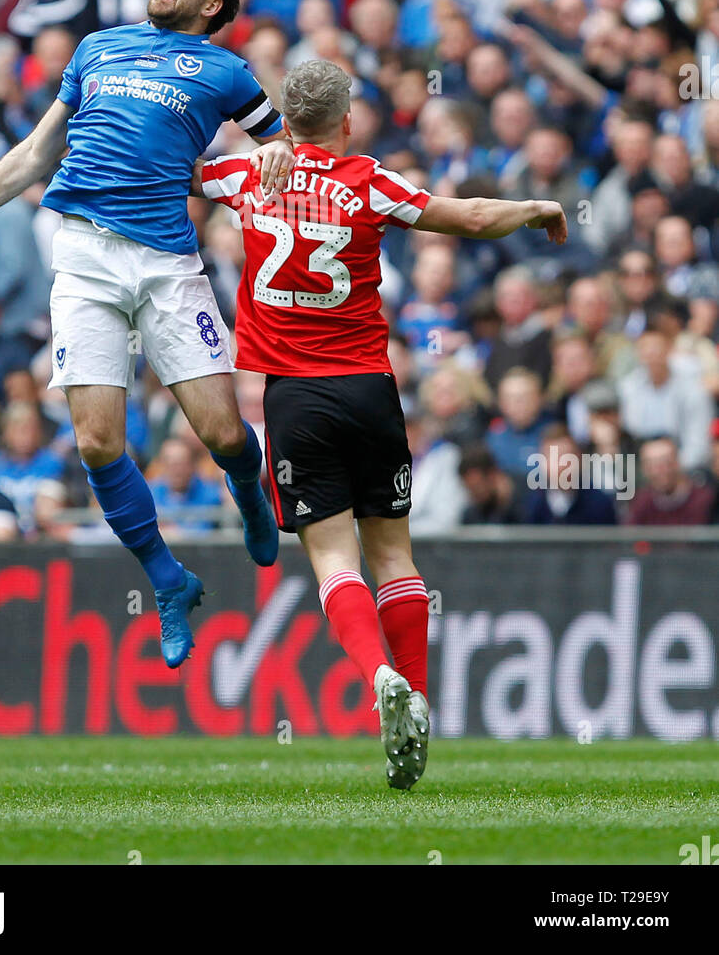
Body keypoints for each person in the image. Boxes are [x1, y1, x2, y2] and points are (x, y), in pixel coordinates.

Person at [0, 0, 294, 668]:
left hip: (168, 265)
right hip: (83, 259)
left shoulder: (225, 71)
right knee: (96, 444)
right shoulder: (96, 47)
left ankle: (250, 490)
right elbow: (36, 152)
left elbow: (280, 139)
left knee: (223, 431)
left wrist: (276, 151)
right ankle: (169, 581)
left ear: (211, 7)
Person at [193, 59, 566, 788]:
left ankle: (378, 680)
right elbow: (473, 218)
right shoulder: (370, 179)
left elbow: (167, 176)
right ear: (347, 120)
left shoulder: (244, 175)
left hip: (293, 399)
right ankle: (418, 697)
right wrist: (537, 209)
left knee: (335, 561)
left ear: (282, 121)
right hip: (369, 388)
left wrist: (241, 145)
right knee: (394, 554)